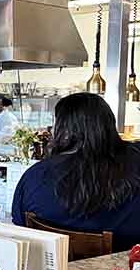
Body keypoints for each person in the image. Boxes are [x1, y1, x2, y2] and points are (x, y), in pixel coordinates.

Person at [12, 93, 140, 250]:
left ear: (63, 130)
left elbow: (19, 227)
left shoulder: (36, 175)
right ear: (109, 124)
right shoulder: (135, 160)